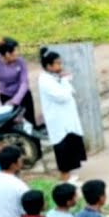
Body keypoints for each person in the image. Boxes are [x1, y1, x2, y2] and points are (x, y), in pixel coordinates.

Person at [37, 48, 86, 182]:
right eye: (57, 63)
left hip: (67, 118)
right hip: (58, 120)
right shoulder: (45, 80)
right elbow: (62, 96)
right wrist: (64, 81)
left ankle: (71, 174)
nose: (61, 66)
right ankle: (64, 177)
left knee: (71, 142)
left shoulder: (55, 77)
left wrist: (63, 80)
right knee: (62, 147)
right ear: (49, 66)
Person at [0, 37, 36, 126]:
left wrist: (15, 100)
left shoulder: (20, 61)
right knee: (12, 124)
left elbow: (24, 82)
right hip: (6, 95)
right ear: (8, 54)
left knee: (30, 122)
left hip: (23, 95)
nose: (18, 53)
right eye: (16, 51)